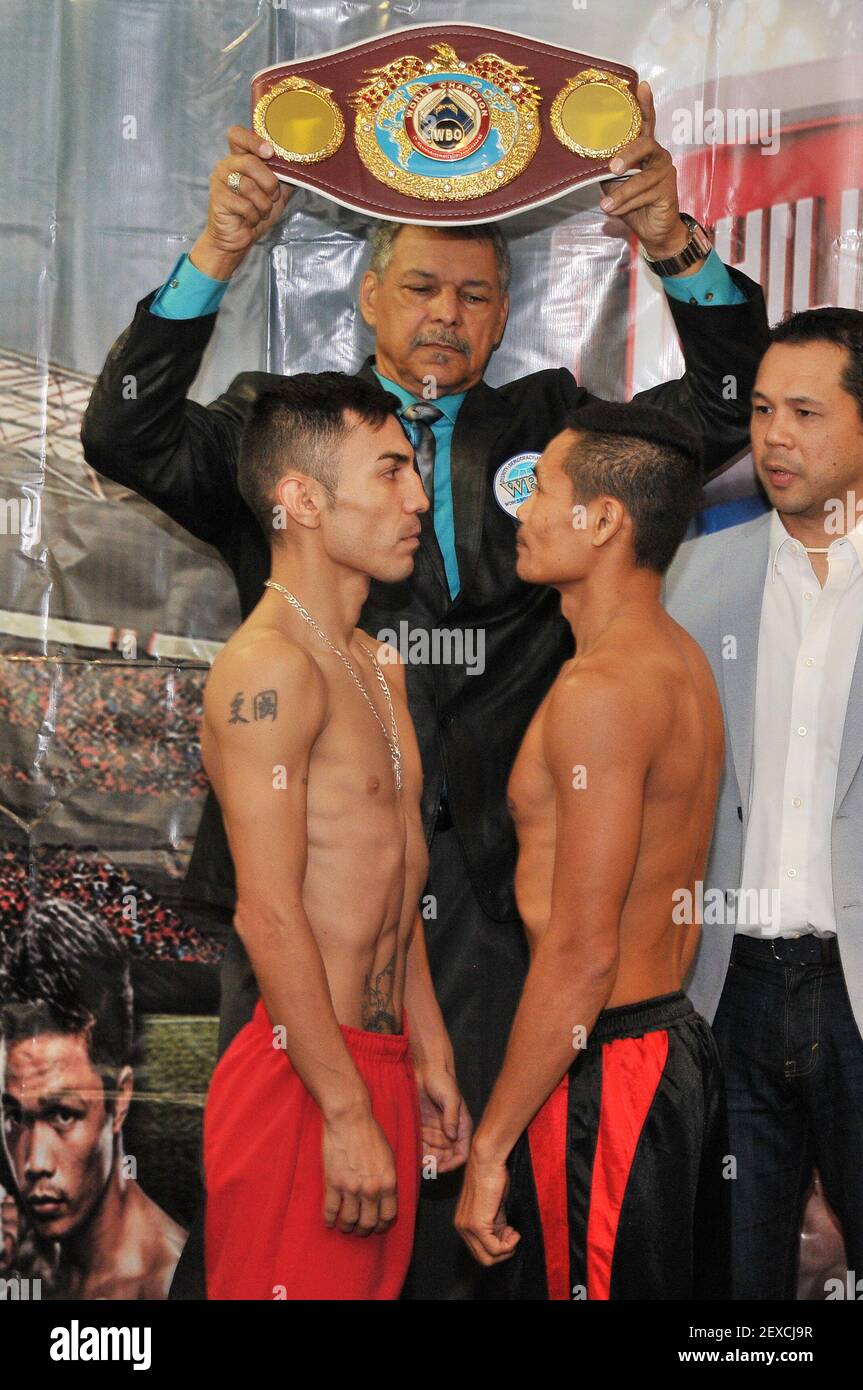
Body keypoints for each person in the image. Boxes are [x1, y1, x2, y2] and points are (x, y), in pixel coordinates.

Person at [81, 81, 769, 1298]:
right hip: (314, 893)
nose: (446, 314)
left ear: (506, 310)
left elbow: (728, 408)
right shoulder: (284, 433)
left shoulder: (557, 432)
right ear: (365, 295)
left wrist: (673, 245)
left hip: (503, 897)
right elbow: (125, 436)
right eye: (419, 287)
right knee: (295, 1197)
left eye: (473, 292)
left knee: (475, 1212)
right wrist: (215, 251)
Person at [200, 373, 467, 1299]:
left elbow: (399, 878)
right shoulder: (267, 668)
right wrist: (345, 1109)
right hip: (301, 1077)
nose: (418, 499)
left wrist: (426, 1052)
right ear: (302, 499)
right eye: (389, 472)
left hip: (377, 1067)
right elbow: (267, 915)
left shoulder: (374, 664)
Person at [456, 404, 728, 1299]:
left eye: (542, 492)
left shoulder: (603, 688)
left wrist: (490, 1147)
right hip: (656, 1055)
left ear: (604, 520)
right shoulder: (677, 660)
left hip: (606, 1068)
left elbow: (582, 948)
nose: (520, 512)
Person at [664, 307, 863, 1300]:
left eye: (803, 411)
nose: (770, 436)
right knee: (735, 1283)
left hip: (856, 983)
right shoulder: (696, 575)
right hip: (730, 986)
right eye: (757, 410)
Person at [0, 898, 186, 1299]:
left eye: (63, 1115)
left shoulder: (173, 1284)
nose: (34, 1164)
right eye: (15, 1117)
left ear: (120, 1101)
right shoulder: (22, 1262)